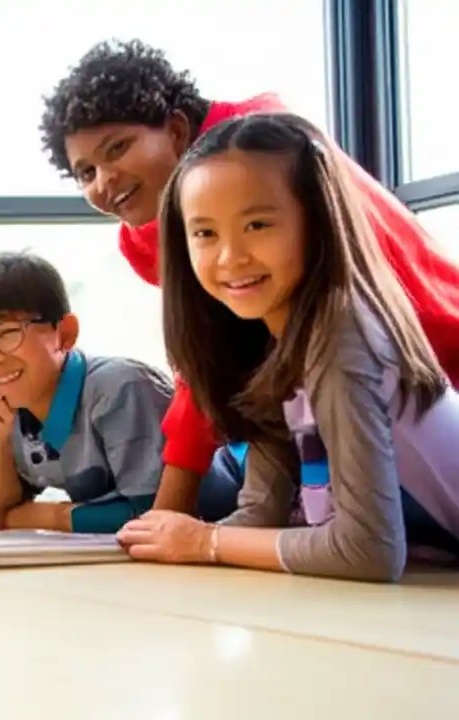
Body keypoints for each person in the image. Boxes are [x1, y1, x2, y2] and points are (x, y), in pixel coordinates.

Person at [39, 38, 459, 517]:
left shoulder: (264, 152)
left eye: (119, 148)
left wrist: (171, 512)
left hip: (423, 373)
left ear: (176, 131)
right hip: (344, 411)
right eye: (86, 172)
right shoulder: (148, 232)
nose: (104, 181)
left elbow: (210, 363)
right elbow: (222, 353)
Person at [116, 113, 459, 582]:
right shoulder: (269, 338)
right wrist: (182, 546)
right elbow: (261, 512)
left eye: (257, 225)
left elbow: (369, 551)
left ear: (316, 222)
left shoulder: (342, 334)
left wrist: (205, 541)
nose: (230, 256)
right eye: (205, 233)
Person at [0, 252, 239, 533]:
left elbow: (156, 515)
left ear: (64, 334)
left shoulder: (119, 389)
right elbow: (0, 514)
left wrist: (48, 515)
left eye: (8, 333)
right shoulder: (13, 406)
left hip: (227, 528)